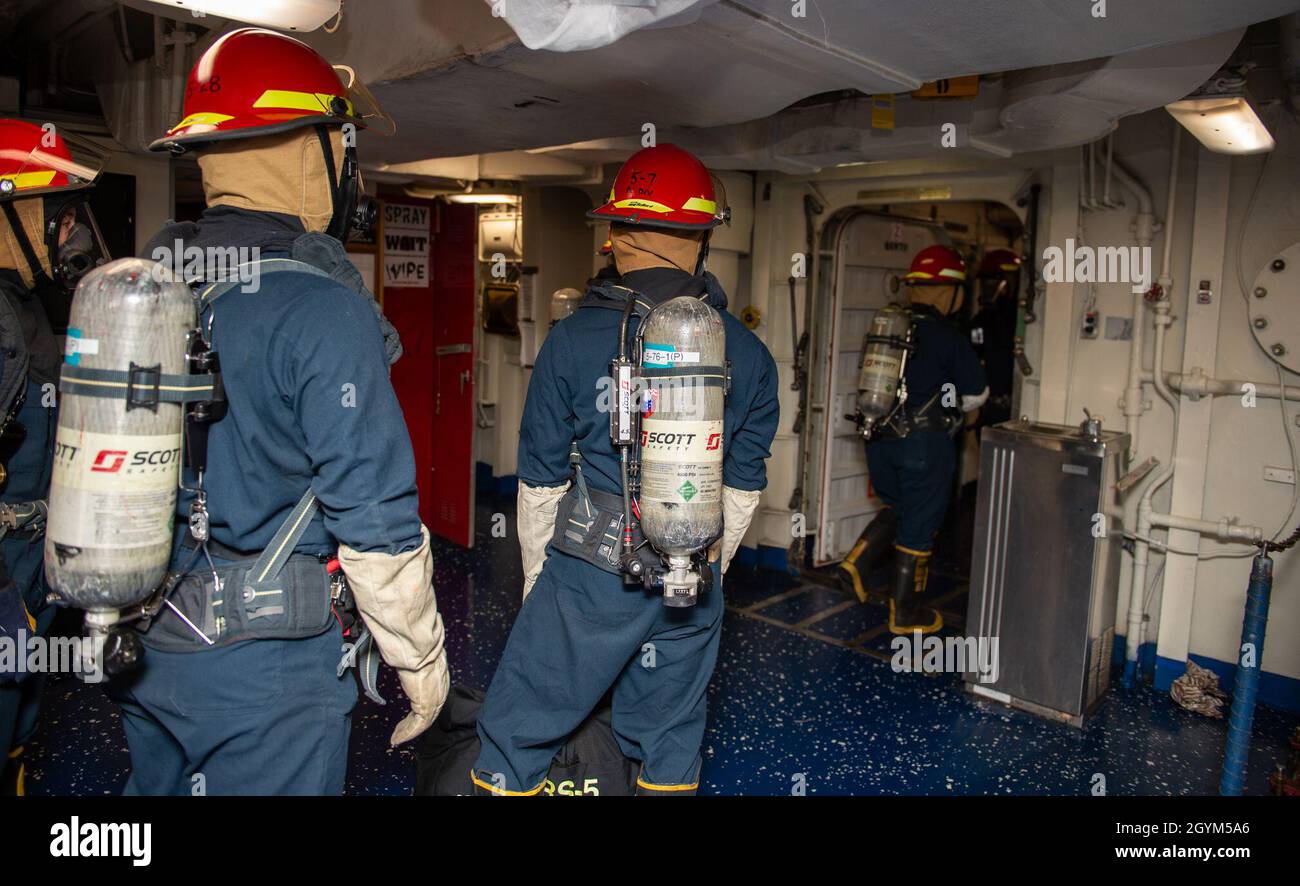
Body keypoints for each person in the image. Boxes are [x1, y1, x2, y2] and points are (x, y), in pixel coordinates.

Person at [108, 27, 448, 795]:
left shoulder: (148, 286)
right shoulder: (324, 309)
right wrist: (420, 661)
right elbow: (375, 519)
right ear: (310, 153)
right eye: (339, 140)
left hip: (151, 641)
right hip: (268, 672)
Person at [472, 144, 779, 795]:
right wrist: (701, 565)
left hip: (588, 567)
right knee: (669, 739)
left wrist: (539, 584)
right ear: (704, 235)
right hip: (692, 570)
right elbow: (744, 487)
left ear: (613, 236)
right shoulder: (748, 352)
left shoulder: (572, 339)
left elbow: (541, 480)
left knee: (520, 725)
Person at [0, 118, 106, 794]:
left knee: (19, 722)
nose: (70, 231)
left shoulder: (32, 309)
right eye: (57, 213)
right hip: (7, 576)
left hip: (31, 570)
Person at [838, 244, 987, 634]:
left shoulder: (890, 328)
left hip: (879, 439)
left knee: (899, 505)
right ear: (946, 290)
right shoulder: (947, 336)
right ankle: (906, 614)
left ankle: (858, 560)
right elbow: (976, 394)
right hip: (923, 445)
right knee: (920, 523)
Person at [968, 248, 1021, 430]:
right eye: (985, 282)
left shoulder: (1023, 321)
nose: (987, 288)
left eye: (991, 282)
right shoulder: (980, 321)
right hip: (989, 409)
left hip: (1016, 409)